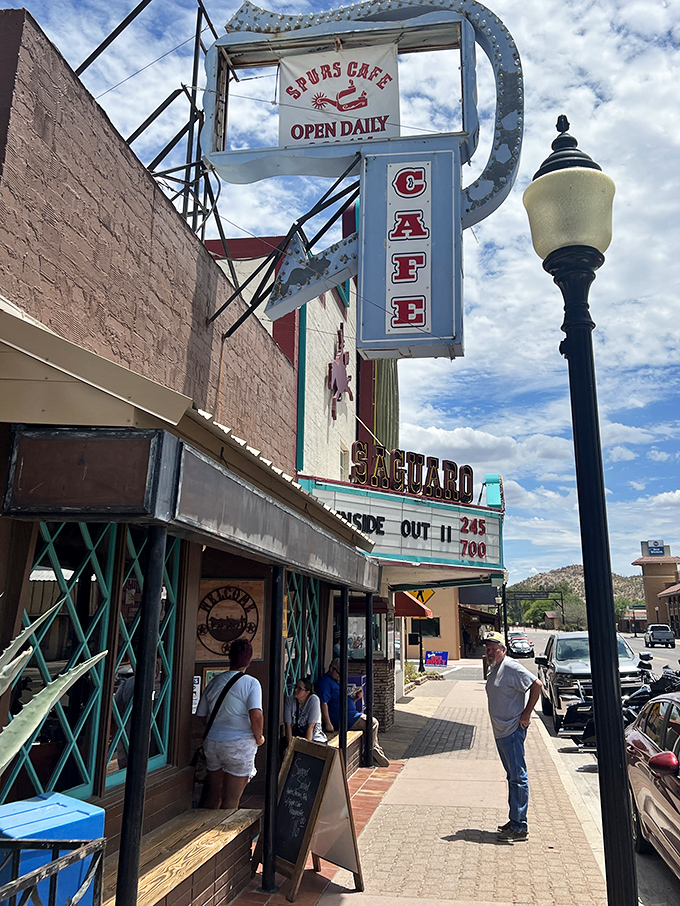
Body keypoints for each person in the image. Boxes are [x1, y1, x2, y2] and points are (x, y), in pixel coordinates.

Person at [484, 631, 542, 842]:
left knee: (518, 777)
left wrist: (526, 714)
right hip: (501, 731)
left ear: (503, 650)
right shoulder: (494, 669)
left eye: (494, 648)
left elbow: (536, 685)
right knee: (512, 777)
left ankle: (520, 827)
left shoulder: (510, 666)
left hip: (512, 731)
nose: (490, 651)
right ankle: (515, 818)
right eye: (488, 648)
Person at [196, 638, 265, 809]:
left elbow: (201, 715)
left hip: (213, 744)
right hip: (239, 746)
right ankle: (224, 834)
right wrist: (259, 737)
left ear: (230, 658)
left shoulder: (215, 682)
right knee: (231, 799)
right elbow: (256, 714)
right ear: (249, 660)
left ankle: (207, 831)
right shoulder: (251, 683)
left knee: (215, 795)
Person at [316, 658, 389, 766]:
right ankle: (372, 751)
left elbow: (342, 701)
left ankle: (373, 751)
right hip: (343, 718)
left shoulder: (336, 681)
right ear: (332, 669)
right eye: (339, 673)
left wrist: (355, 698)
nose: (340, 676)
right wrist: (328, 724)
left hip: (350, 714)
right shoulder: (325, 682)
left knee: (371, 724)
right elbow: (324, 703)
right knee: (372, 723)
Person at [283, 677, 327, 745]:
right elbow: (287, 725)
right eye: (295, 686)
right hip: (297, 738)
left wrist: (306, 749)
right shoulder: (290, 700)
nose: (295, 690)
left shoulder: (313, 700)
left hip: (314, 739)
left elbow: (311, 727)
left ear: (307, 692)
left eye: (300, 689)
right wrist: (290, 746)